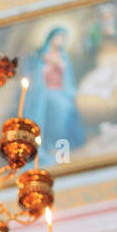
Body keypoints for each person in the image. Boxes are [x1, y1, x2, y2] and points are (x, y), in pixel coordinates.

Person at [27, 26, 85, 155]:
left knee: (70, 106)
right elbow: (36, 75)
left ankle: (69, 143)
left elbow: (67, 76)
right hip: (45, 91)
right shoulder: (40, 56)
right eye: (58, 37)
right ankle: (54, 144)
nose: (61, 40)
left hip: (62, 90)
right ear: (51, 38)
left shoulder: (63, 56)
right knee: (61, 107)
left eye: (63, 38)